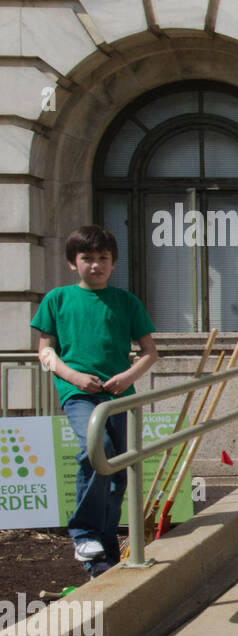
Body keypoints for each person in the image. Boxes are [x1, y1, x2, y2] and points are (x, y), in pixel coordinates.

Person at [31, 225, 158, 576]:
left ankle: (103, 547)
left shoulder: (126, 302)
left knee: (117, 470)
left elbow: (149, 352)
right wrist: (72, 377)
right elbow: (45, 351)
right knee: (95, 449)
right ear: (74, 263)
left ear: (114, 263)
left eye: (103, 258)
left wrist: (127, 377)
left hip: (120, 396)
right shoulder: (57, 299)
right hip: (79, 395)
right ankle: (83, 532)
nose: (96, 265)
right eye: (87, 258)